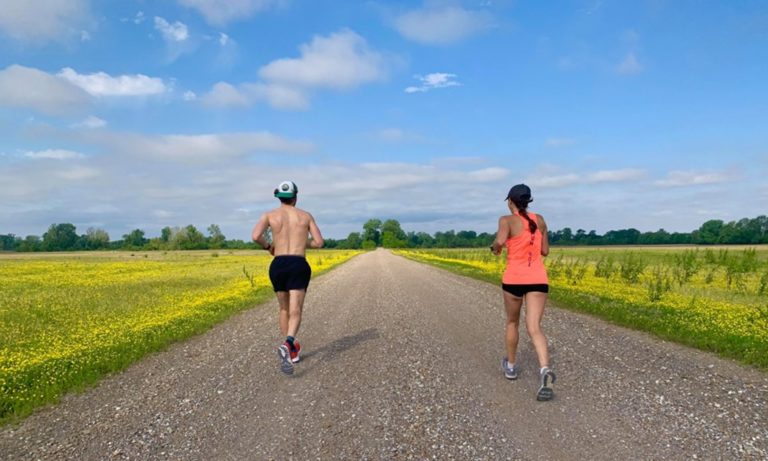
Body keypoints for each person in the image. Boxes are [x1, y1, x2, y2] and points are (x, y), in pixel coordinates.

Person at [490, 183, 556, 401]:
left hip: (515, 279)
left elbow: (499, 242)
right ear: (528, 202)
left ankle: (510, 366)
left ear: (510, 201)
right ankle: (545, 370)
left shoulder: (506, 220)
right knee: (534, 327)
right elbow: (545, 251)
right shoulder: (541, 220)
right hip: (538, 279)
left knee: (512, 322)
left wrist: (495, 247)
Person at [252, 180, 324, 375]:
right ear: (296, 197)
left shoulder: (270, 215)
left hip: (278, 264)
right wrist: (301, 241)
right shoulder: (305, 216)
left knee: (283, 308)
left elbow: (256, 235)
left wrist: (269, 247)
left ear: (279, 197)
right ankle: (289, 343)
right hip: (298, 264)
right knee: (296, 309)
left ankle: (290, 350)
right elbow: (319, 242)